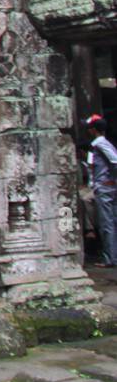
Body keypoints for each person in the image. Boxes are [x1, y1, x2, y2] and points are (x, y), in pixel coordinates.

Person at [85, 115, 117, 268]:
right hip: (107, 186)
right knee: (111, 222)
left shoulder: (99, 144)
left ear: (93, 130)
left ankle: (110, 258)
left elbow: (115, 161)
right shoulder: (103, 143)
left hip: (105, 187)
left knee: (107, 223)